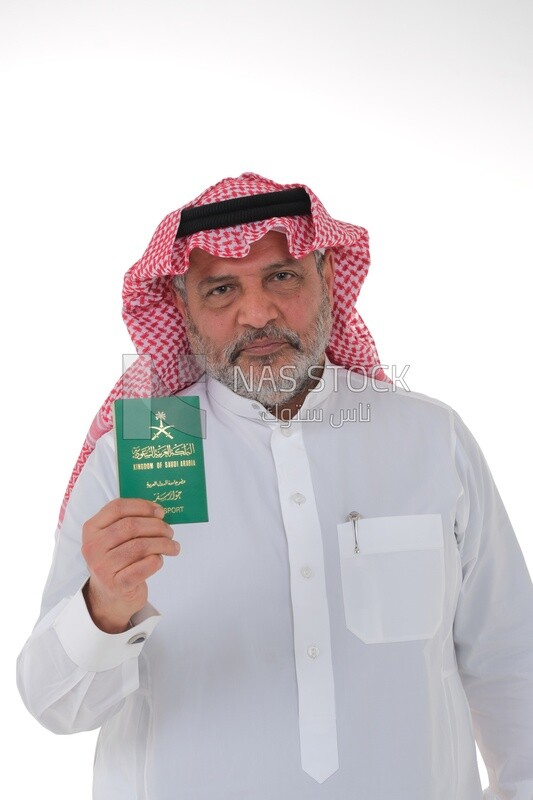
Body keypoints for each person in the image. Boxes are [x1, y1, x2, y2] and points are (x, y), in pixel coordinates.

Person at [17, 173, 533, 800]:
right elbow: (54, 707)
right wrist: (103, 608)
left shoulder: (431, 439)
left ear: (327, 277)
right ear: (182, 306)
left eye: (282, 277)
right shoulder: (127, 463)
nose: (257, 314)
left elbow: (512, 659)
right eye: (221, 288)